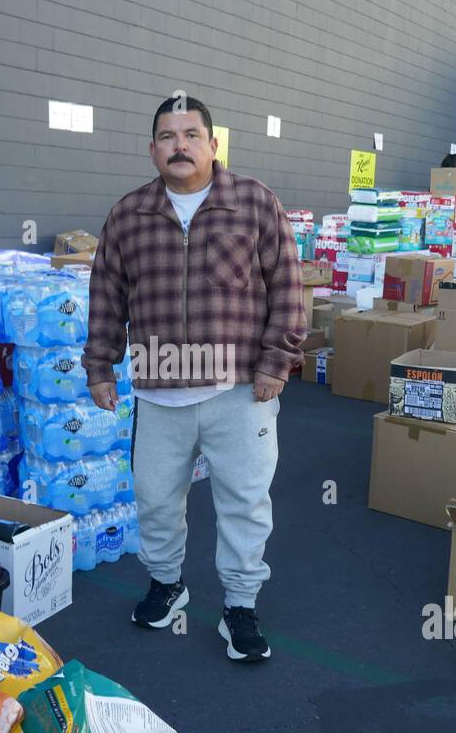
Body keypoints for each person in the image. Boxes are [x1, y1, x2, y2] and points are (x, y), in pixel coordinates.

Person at [82, 95, 306, 664]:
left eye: (190, 134)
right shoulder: (128, 214)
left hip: (239, 389)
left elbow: (288, 288)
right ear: (151, 149)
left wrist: (277, 363)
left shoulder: (254, 203)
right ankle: (167, 584)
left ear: (212, 144)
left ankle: (240, 607)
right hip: (158, 389)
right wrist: (100, 366)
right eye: (166, 136)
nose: (178, 145)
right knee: (156, 499)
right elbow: (106, 296)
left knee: (245, 502)